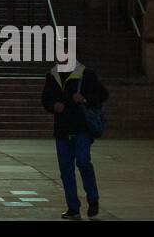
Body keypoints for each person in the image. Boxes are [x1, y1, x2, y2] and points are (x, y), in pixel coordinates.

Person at [40, 59, 109, 219]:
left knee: (83, 162)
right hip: (62, 129)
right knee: (66, 170)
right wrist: (53, 106)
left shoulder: (85, 74)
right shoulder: (53, 75)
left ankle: (93, 199)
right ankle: (73, 207)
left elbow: (102, 94)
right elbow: (45, 99)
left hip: (81, 128)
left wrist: (84, 99)